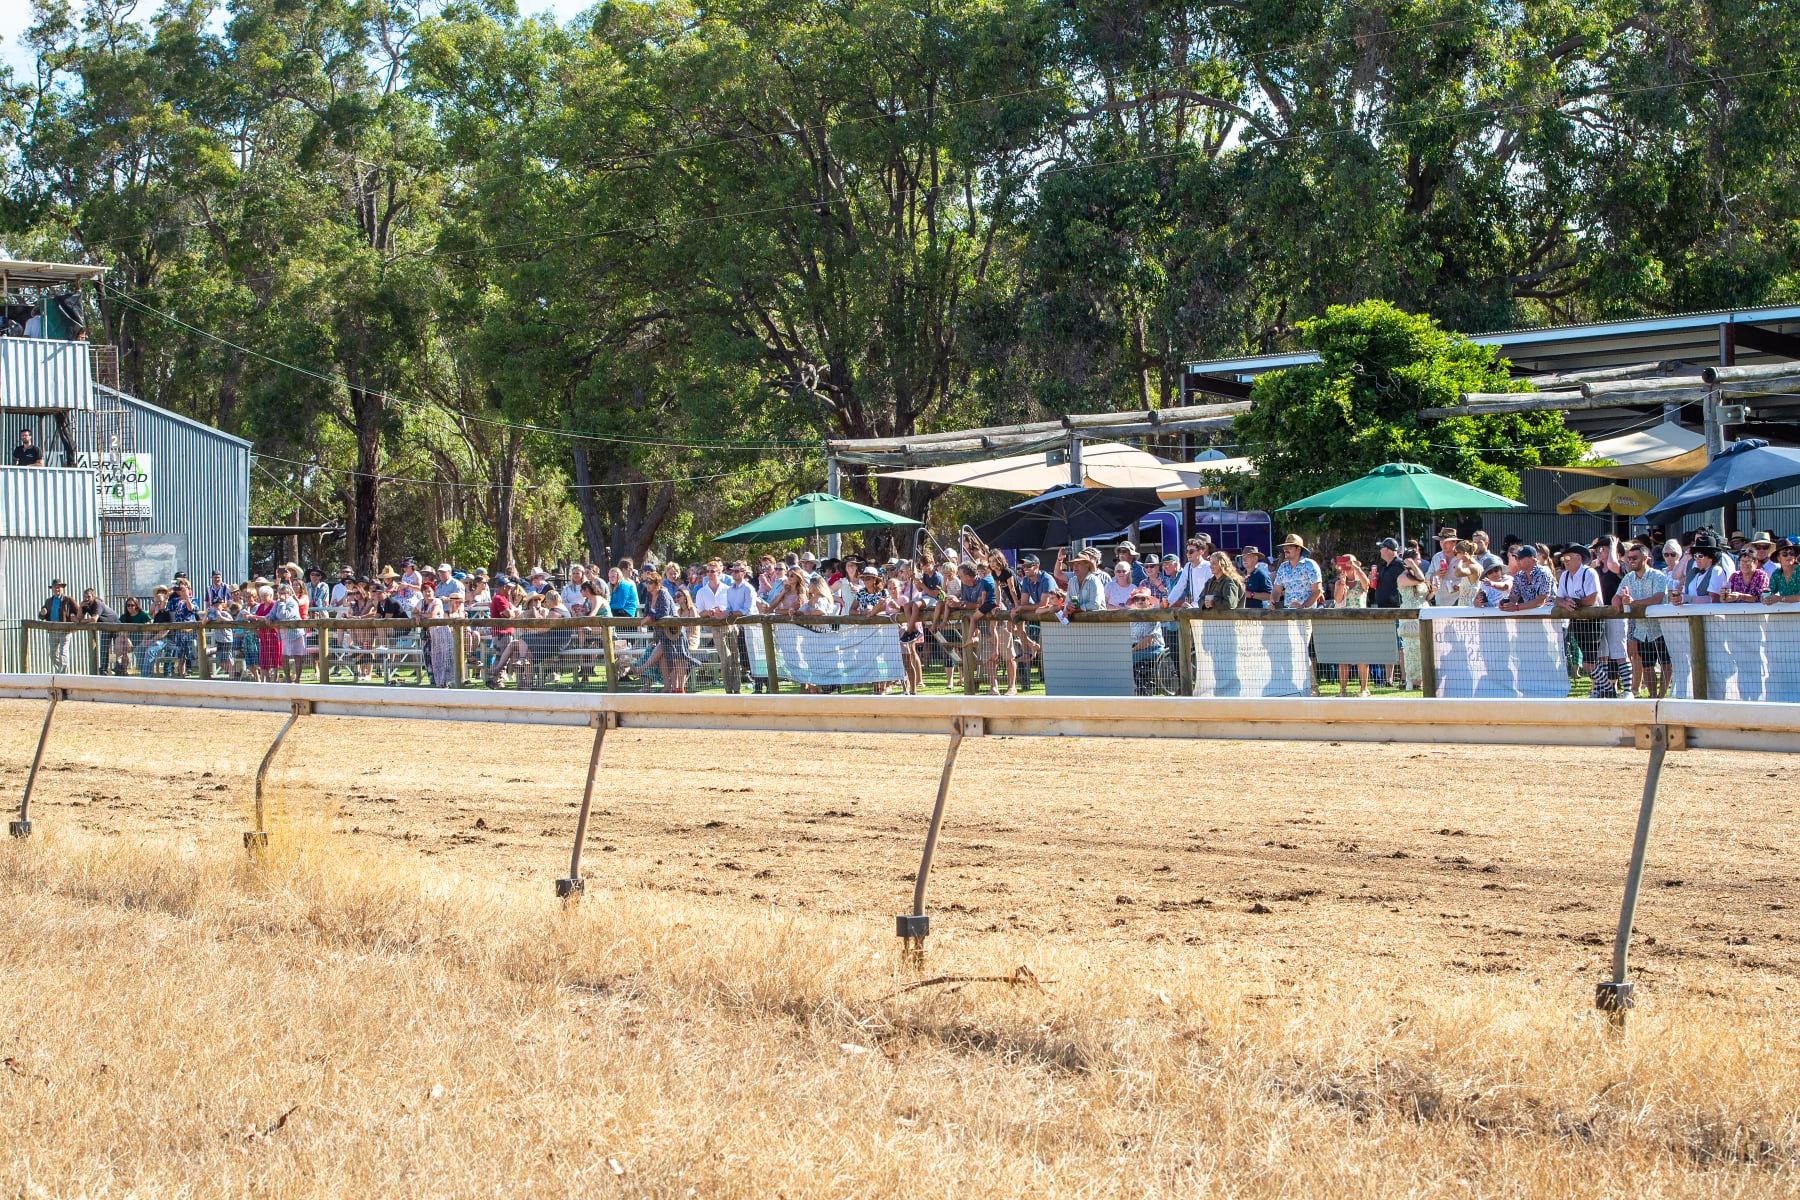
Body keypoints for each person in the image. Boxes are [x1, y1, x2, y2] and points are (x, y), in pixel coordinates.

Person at [1616, 542, 1671, 698]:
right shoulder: (1628, 577)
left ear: (1645, 558)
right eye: (1629, 558)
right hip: (1641, 629)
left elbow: (1657, 598)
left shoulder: (1658, 575)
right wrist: (1618, 604)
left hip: (1661, 628)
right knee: (1647, 665)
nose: (1631, 560)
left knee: (1666, 663)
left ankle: (1661, 695)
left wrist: (1633, 603)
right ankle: (1653, 696)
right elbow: (1617, 596)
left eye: (1634, 557)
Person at [1126, 587, 1164, 690]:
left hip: (1153, 648)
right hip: (1136, 648)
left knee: (1129, 658)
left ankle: (1133, 687)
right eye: (1136, 599)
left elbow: (1148, 641)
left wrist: (1132, 650)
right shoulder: (1131, 616)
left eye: (1142, 599)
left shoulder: (1152, 615)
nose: (1139, 601)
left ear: (1148, 601)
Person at [1270, 535, 1321, 609]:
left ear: (1298, 549)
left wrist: (1303, 607)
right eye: (1284, 547)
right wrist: (1272, 603)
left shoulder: (1310, 565)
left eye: (1289, 547)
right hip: (1287, 614)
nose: (1285, 550)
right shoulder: (1283, 567)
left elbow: (1317, 591)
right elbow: (1276, 590)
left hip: (1307, 614)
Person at [1499, 544, 1554, 611]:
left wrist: (1517, 607)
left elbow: (1540, 601)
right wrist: (1505, 604)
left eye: (1520, 558)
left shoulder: (1543, 573)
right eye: (1516, 558)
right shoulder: (1519, 575)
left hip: (1551, 616)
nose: (1517, 560)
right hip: (1531, 616)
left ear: (1531, 559)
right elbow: (1513, 597)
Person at [1671, 541, 1728, 605]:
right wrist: (1678, 599)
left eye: (1700, 556)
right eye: (1695, 556)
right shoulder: (1692, 572)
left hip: (1709, 614)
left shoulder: (1716, 570)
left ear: (1711, 558)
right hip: (1690, 613)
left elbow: (1713, 599)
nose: (1697, 559)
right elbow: (1684, 595)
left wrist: (1688, 599)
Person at [38, 579, 76, 671]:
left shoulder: (68, 599)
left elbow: (78, 611)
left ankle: (62, 674)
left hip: (65, 630)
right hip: (52, 630)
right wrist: (42, 613)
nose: (57, 589)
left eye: (58, 587)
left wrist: (73, 616)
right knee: (52, 654)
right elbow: (41, 615)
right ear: (52, 589)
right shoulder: (48, 601)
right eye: (55, 587)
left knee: (63, 652)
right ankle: (59, 670)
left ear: (62, 588)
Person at [1163, 539, 1213, 609]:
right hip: (1194, 607)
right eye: (1187, 551)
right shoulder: (1188, 566)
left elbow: (1211, 591)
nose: (1188, 554)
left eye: (1191, 551)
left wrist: (1199, 607)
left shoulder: (1208, 567)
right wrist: (1167, 603)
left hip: (1207, 609)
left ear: (1201, 551)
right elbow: (1179, 587)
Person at [1370, 538, 1405, 609]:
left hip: (1396, 610)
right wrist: (1374, 580)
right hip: (1383, 609)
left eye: (1381, 548)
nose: (1380, 550)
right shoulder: (1384, 566)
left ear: (1386, 549)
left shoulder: (1399, 565)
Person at [1763, 539, 1800, 604]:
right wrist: (1764, 597)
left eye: (1791, 553)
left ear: (1795, 556)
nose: (1789, 556)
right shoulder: (1777, 574)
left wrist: (1780, 598)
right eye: (1785, 554)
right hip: (1787, 612)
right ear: (1778, 558)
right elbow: (1769, 590)